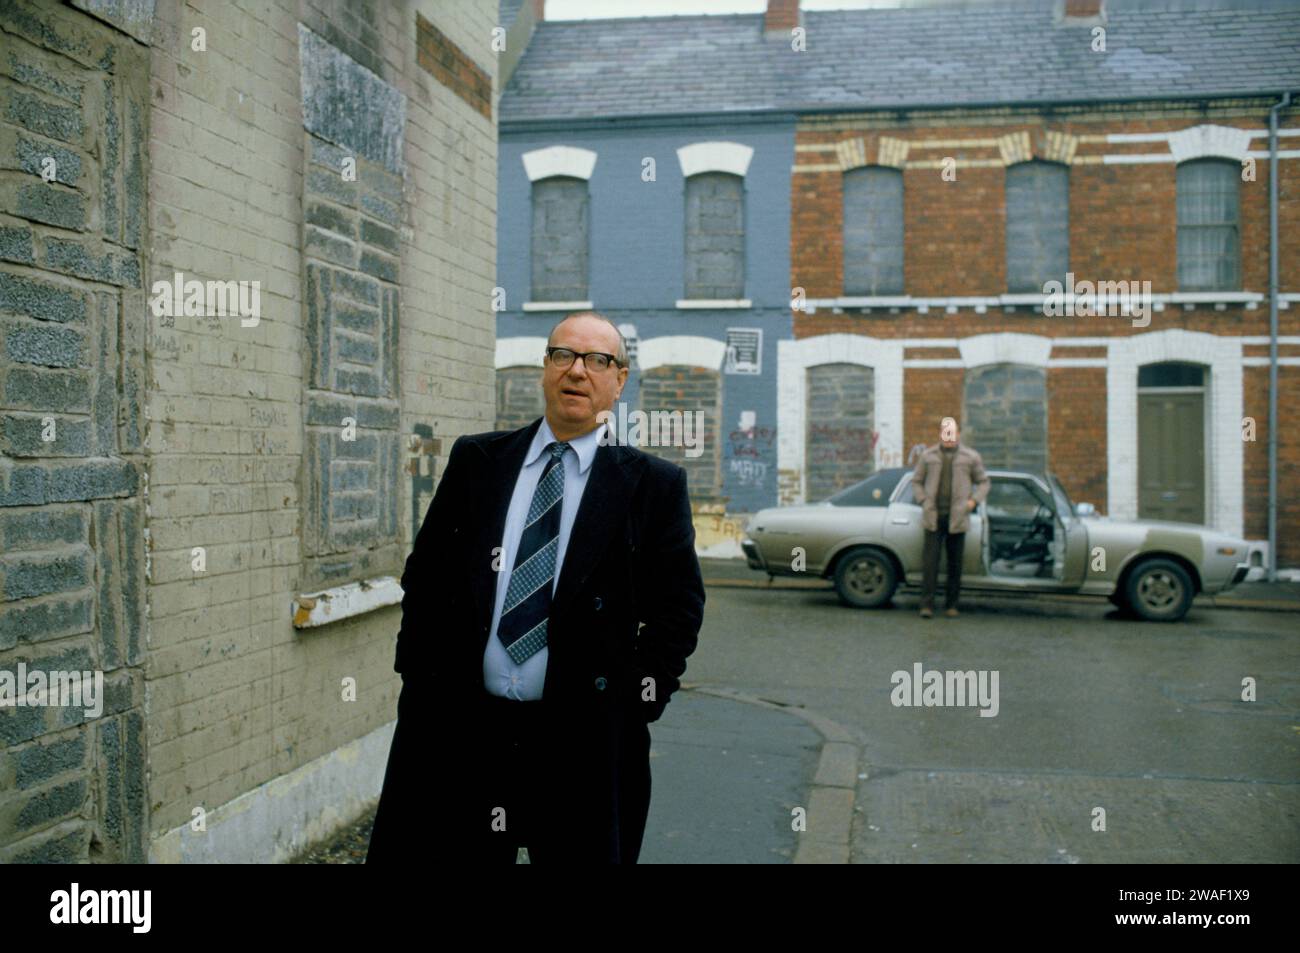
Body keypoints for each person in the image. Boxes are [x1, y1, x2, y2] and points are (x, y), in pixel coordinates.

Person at [366, 311, 705, 864]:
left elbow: (679, 609)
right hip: (463, 733)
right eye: (564, 356)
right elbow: (426, 577)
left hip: (583, 742)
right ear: (544, 369)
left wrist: (637, 700)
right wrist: (421, 678)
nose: (578, 371)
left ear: (619, 381)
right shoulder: (478, 461)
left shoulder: (653, 486)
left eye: (599, 361)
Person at [910, 417, 990, 618]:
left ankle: (951, 605)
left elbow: (984, 482)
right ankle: (926, 606)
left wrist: (972, 502)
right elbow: (916, 481)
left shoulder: (970, 457)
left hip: (958, 518)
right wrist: (923, 501)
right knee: (930, 564)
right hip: (933, 517)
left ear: (958, 434)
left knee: (955, 565)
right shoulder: (928, 455)